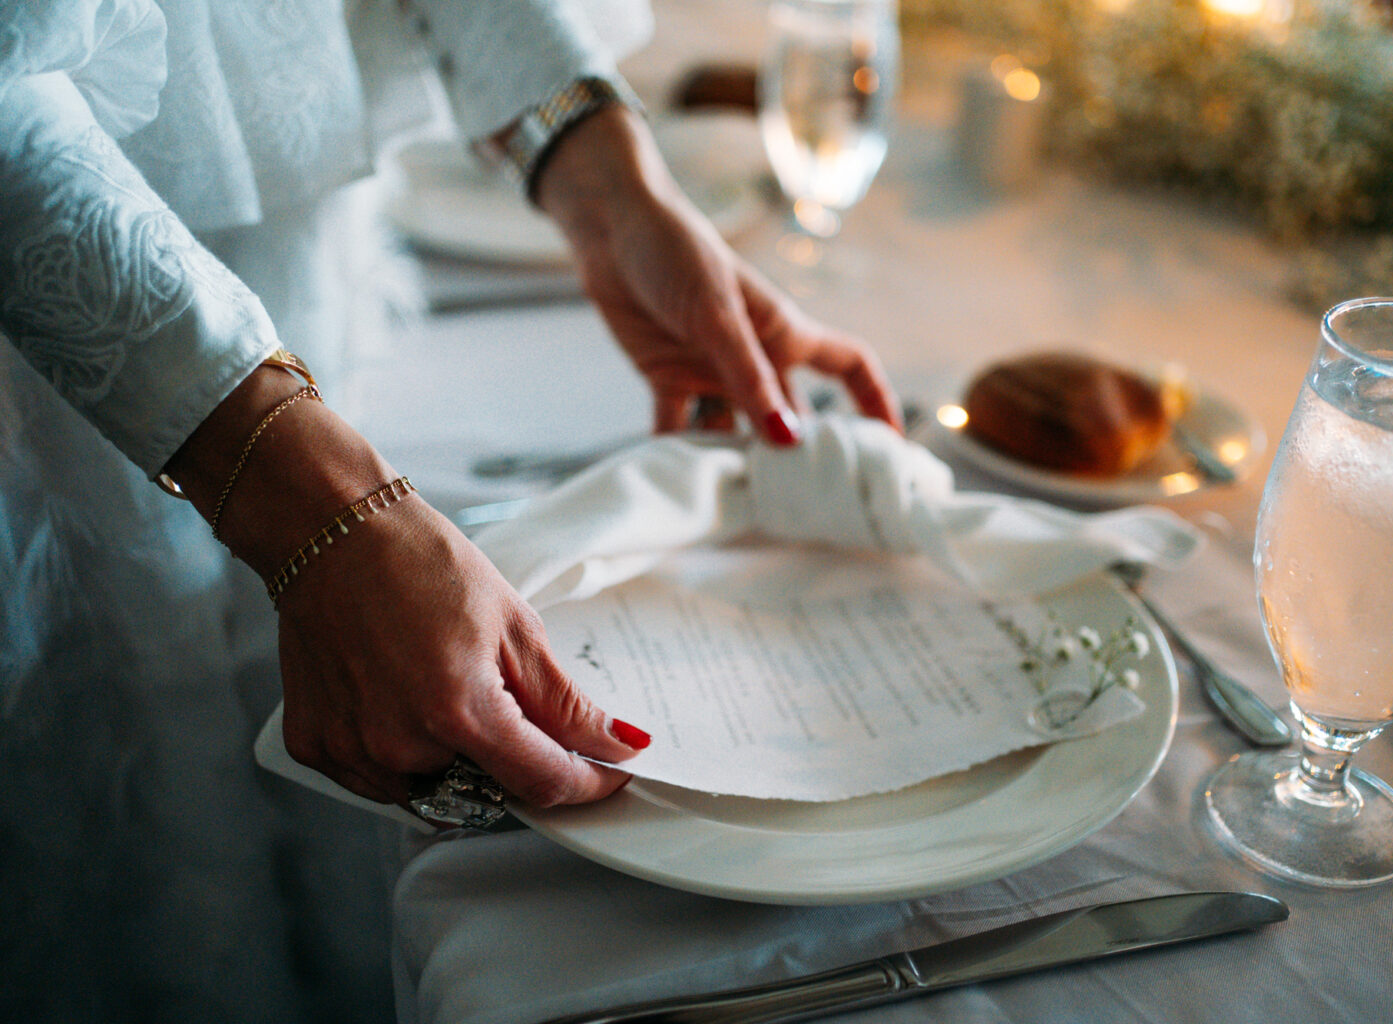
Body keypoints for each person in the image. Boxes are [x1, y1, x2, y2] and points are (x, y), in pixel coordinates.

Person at [0, 0, 900, 1019]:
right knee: (154, 833)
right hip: (45, 358)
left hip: (307, 259)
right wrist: (314, 503)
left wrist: (614, 189)